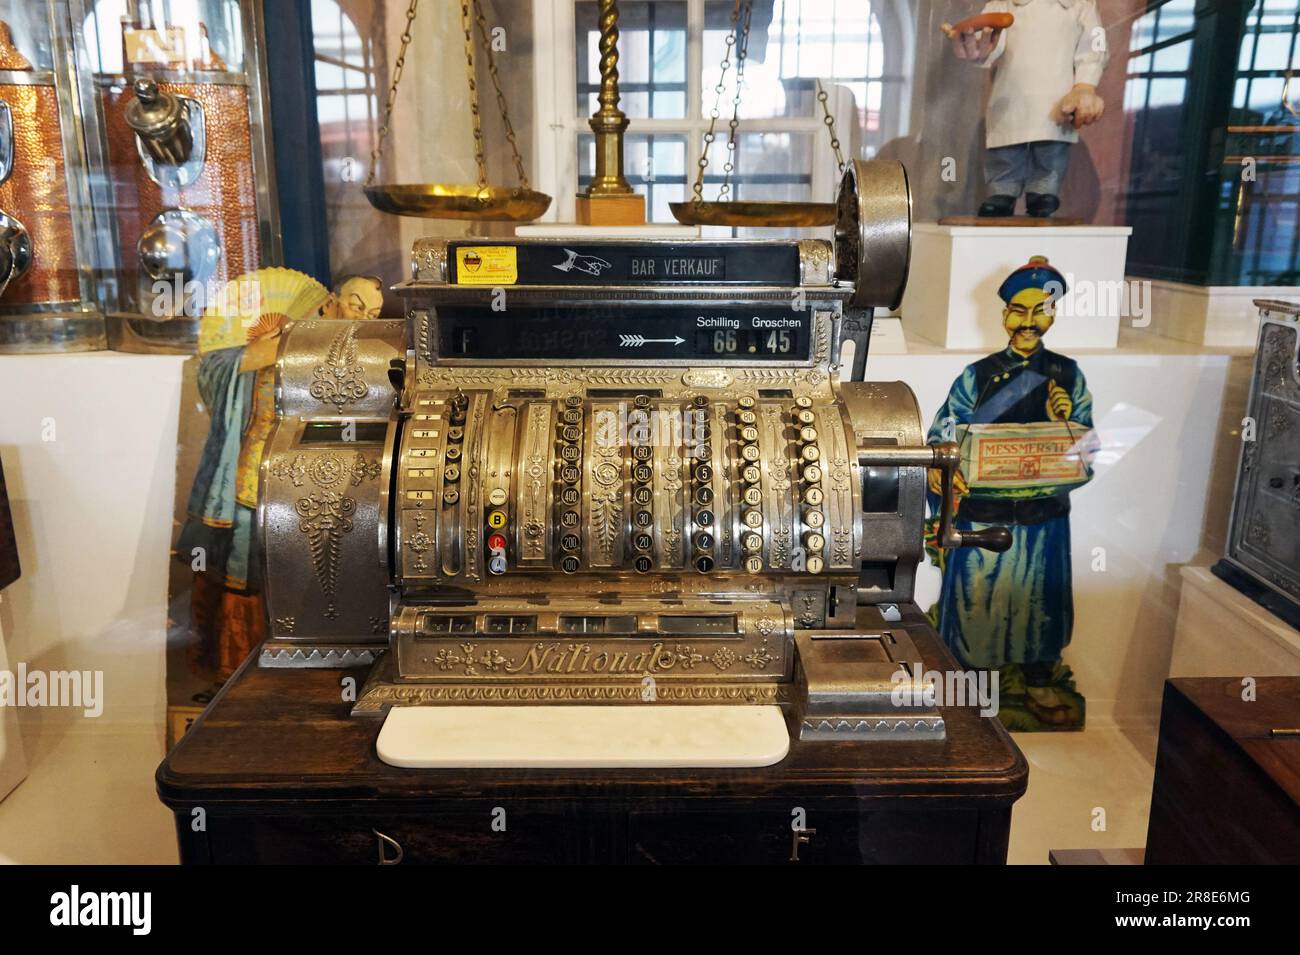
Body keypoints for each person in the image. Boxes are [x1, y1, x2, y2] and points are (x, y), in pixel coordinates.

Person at [926, 256, 1094, 728]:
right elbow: (944, 430)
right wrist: (945, 470)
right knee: (978, 604)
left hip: (1043, 520)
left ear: (1053, 315)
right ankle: (974, 689)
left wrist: (1068, 421)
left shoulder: (1068, 374)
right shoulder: (977, 376)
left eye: (1040, 310)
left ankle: (1039, 681)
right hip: (985, 517)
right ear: (1004, 315)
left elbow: (1089, 449)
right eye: (1018, 310)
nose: (1028, 321)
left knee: (1040, 602)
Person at [949, 0, 1109, 217]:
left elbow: (1095, 44)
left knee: (1051, 151)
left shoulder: (1080, 5)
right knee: (1006, 146)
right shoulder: (1003, 6)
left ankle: (1044, 191)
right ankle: (1002, 191)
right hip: (1012, 94)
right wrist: (978, 48)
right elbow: (990, 41)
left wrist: (1085, 85)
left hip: (1057, 95)